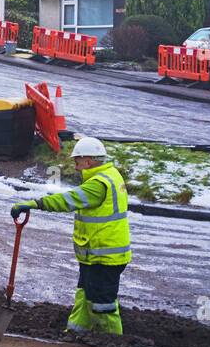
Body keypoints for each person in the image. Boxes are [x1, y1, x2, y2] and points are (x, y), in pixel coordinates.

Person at [10, 136, 132, 335]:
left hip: (105, 256)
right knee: (84, 297)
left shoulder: (98, 184)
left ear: (88, 160)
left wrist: (34, 203)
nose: (75, 167)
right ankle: (75, 333)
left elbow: (68, 200)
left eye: (77, 162)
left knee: (102, 305)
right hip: (96, 254)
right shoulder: (111, 174)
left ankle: (115, 343)